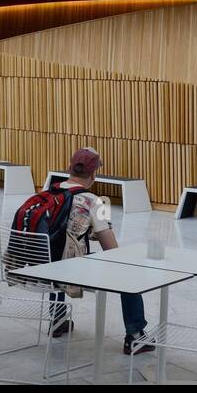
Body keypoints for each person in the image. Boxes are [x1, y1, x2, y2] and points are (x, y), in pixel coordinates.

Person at [44, 147, 153, 355]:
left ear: (69, 168)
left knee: (57, 254)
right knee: (127, 270)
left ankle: (57, 319)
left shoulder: (48, 193)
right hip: (70, 271)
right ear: (94, 174)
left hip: (40, 268)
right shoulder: (95, 201)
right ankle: (136, 335)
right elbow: (112, 251)